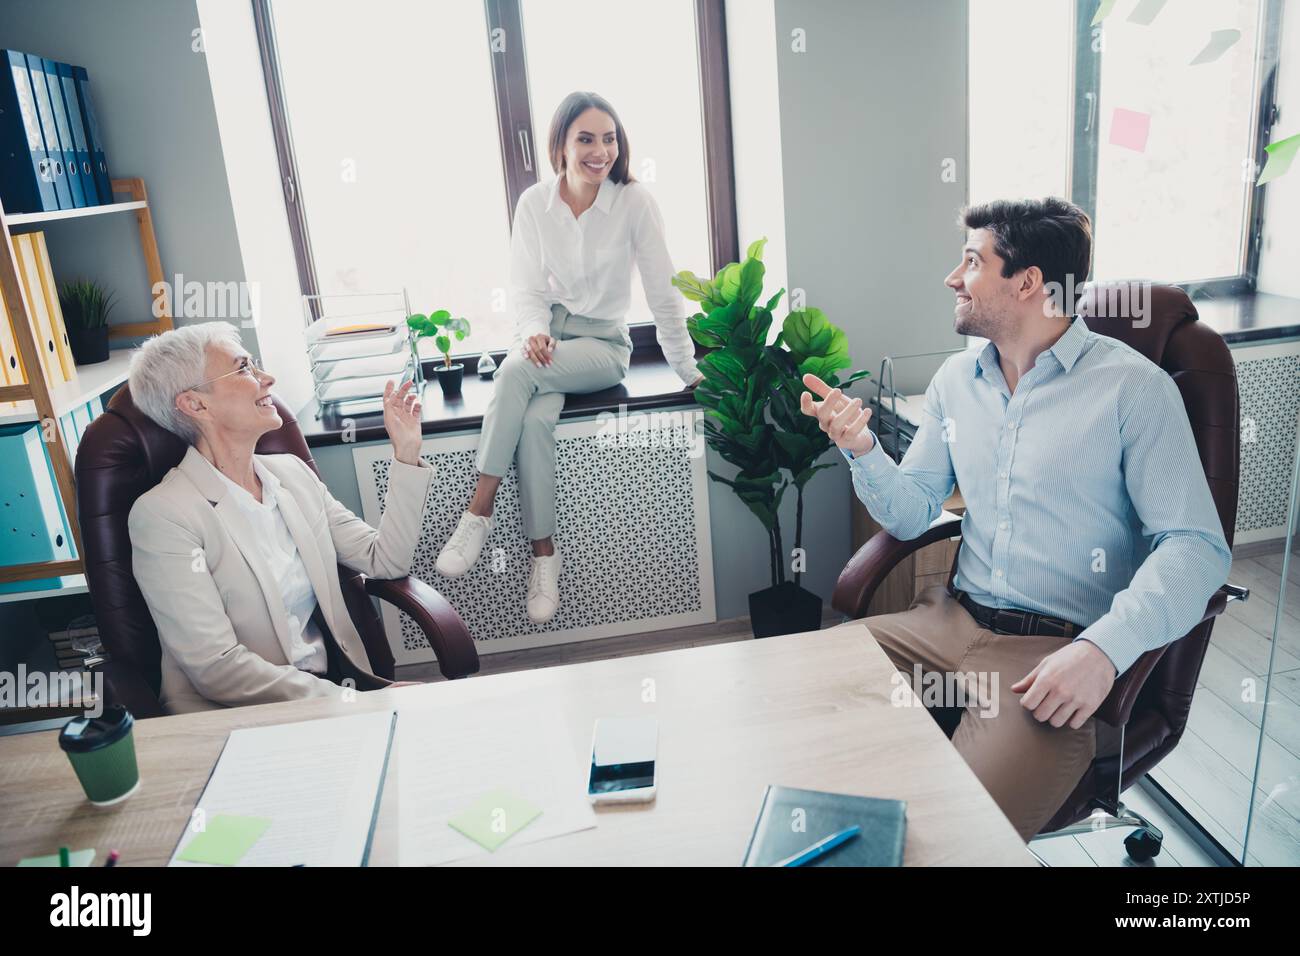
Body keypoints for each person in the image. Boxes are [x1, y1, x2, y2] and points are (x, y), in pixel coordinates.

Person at [802, 197, 1231, 840]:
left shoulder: (1133, 391)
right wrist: (861, 450)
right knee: (790, 706)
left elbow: (1197, 547)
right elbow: (915, 511)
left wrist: (1102, 651)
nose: (953, 277)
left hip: (1051, 660)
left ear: (1028, 282)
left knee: (954, 839)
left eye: (972, 262)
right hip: (944, 625)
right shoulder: (956, 381)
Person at [434, 90, 702, 623]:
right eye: (586, 138)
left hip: (602, 346)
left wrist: (687, 369)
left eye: (609, 138)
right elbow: (527, 290)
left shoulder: (634, 202)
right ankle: (544, 557)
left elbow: (662, 293)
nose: (600, 150)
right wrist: (534, 331)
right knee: (534, 422)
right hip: (550, 341)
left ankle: (477, 511)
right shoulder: (535, 203)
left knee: (514, 372)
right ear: (560, 145)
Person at [127, 322, 429, 713]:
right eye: (244, 369)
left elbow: (384, 559)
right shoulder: (164, 515)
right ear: (195, 405)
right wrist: (348, 703)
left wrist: (405, 454)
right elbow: (217, 668)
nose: (267, 379)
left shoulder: (292, 474)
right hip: (238, 717)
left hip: (335, 690)